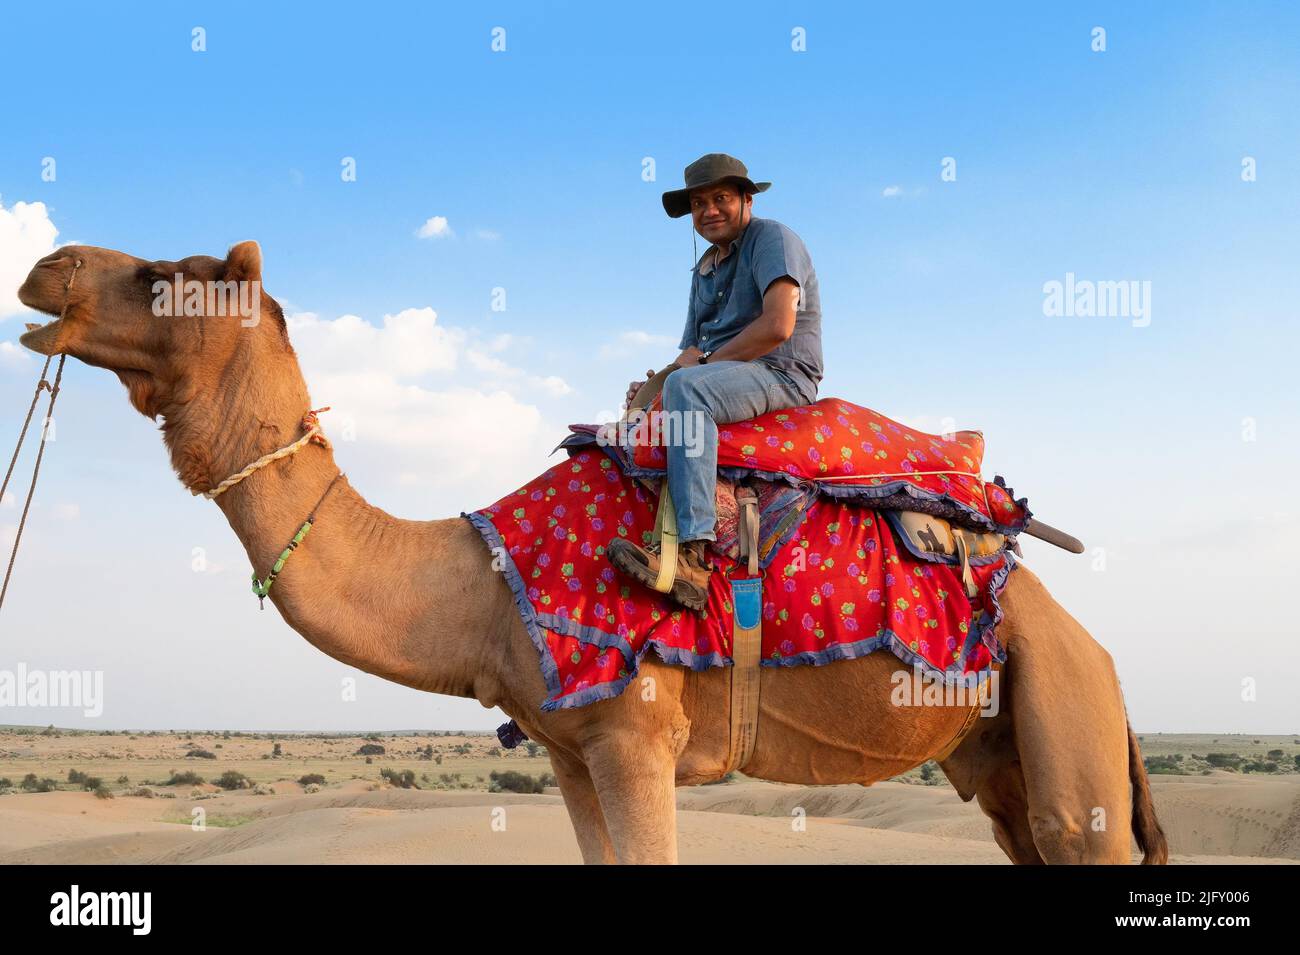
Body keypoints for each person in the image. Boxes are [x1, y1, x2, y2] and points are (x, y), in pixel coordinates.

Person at [607, 153, 823, 610]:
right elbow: (690, 353)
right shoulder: (704, 269)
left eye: (721, 198)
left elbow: (778, 326)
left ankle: (692, 555)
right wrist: (655, 385)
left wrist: (691, 377)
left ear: (746, 199)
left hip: (782, 372)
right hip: (725, 376)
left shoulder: (773, 239)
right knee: (646, 408)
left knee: (686, 390)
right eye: (699, 203)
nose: (709, 210)